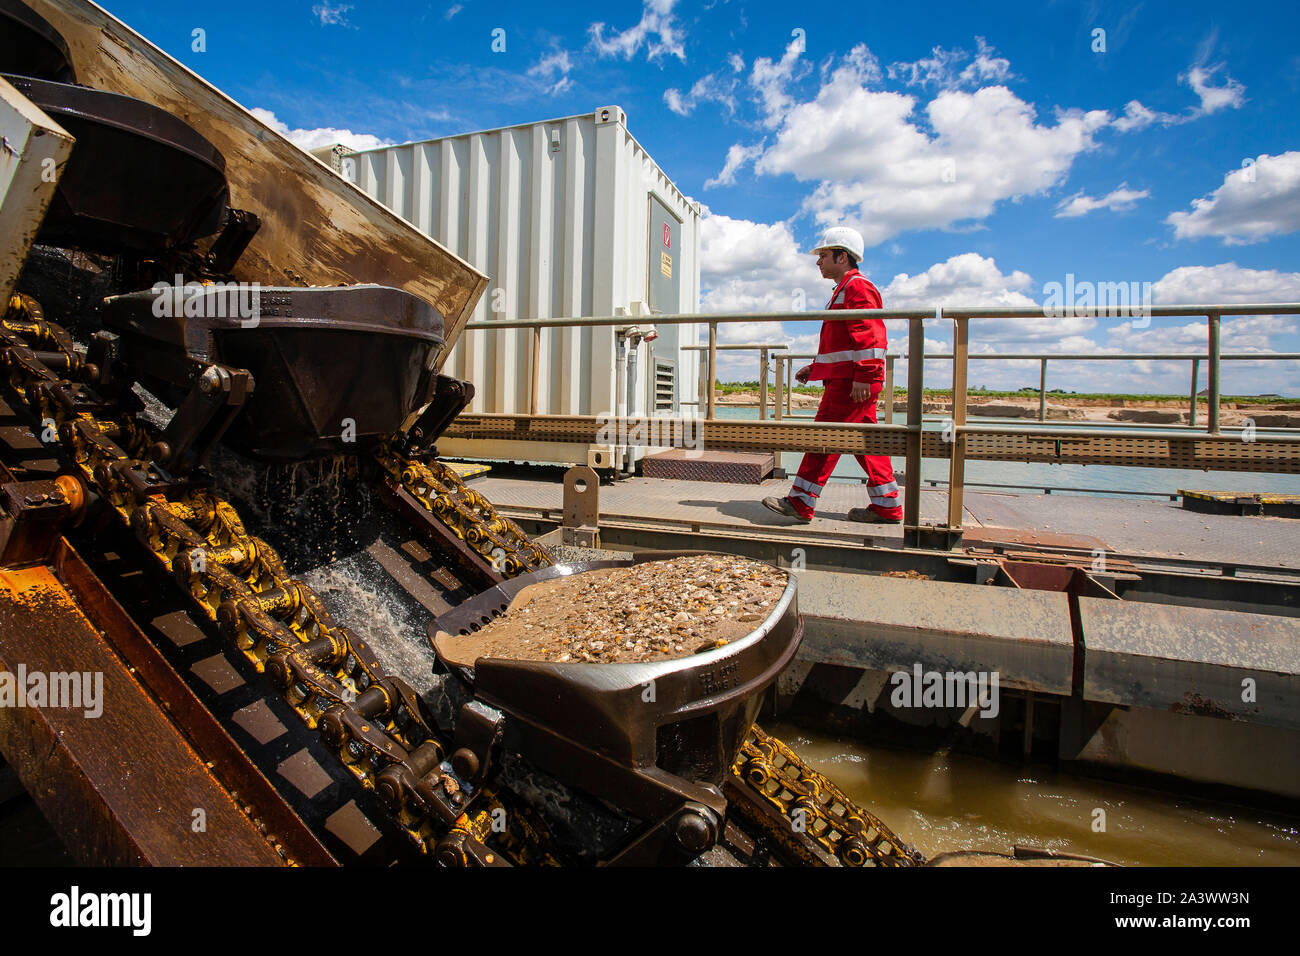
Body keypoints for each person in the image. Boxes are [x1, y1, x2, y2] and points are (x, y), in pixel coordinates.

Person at [762, 226, 902, 524]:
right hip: (852, 380)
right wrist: (816, 368)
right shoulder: (846, 289)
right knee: (867, 445)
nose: (818, 261)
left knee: (824, 438)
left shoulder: (857, 287)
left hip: (852, 383)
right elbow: (843, 343)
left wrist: (864, 376)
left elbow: (870, 336)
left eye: (823, 255)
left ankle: (801, 501)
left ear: (842, 257)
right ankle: (887, 504)